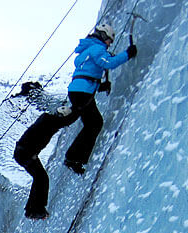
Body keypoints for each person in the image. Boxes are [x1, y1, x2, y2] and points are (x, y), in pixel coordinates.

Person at [63, 23, 137, 174]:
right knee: (95, 123)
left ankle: (75, 158)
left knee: (92, 123)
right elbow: (108, 63)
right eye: (109, 40)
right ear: (103, 36)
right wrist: (128, 54)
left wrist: (100, 86)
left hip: (77, 90)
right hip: (83, 92)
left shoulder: (89, 49)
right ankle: (73, 158)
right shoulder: (97, 48)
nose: (110, 43)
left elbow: (88, 73)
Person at [14, 105, 78, 220]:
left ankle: (31, 210)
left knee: (39, 178)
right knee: (42, 178)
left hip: (22, 153)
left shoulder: (47, 119)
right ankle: (36, 210)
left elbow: (63, 120)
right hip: (26, 154)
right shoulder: (52, 122)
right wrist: (80, 108)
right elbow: (67, 120)